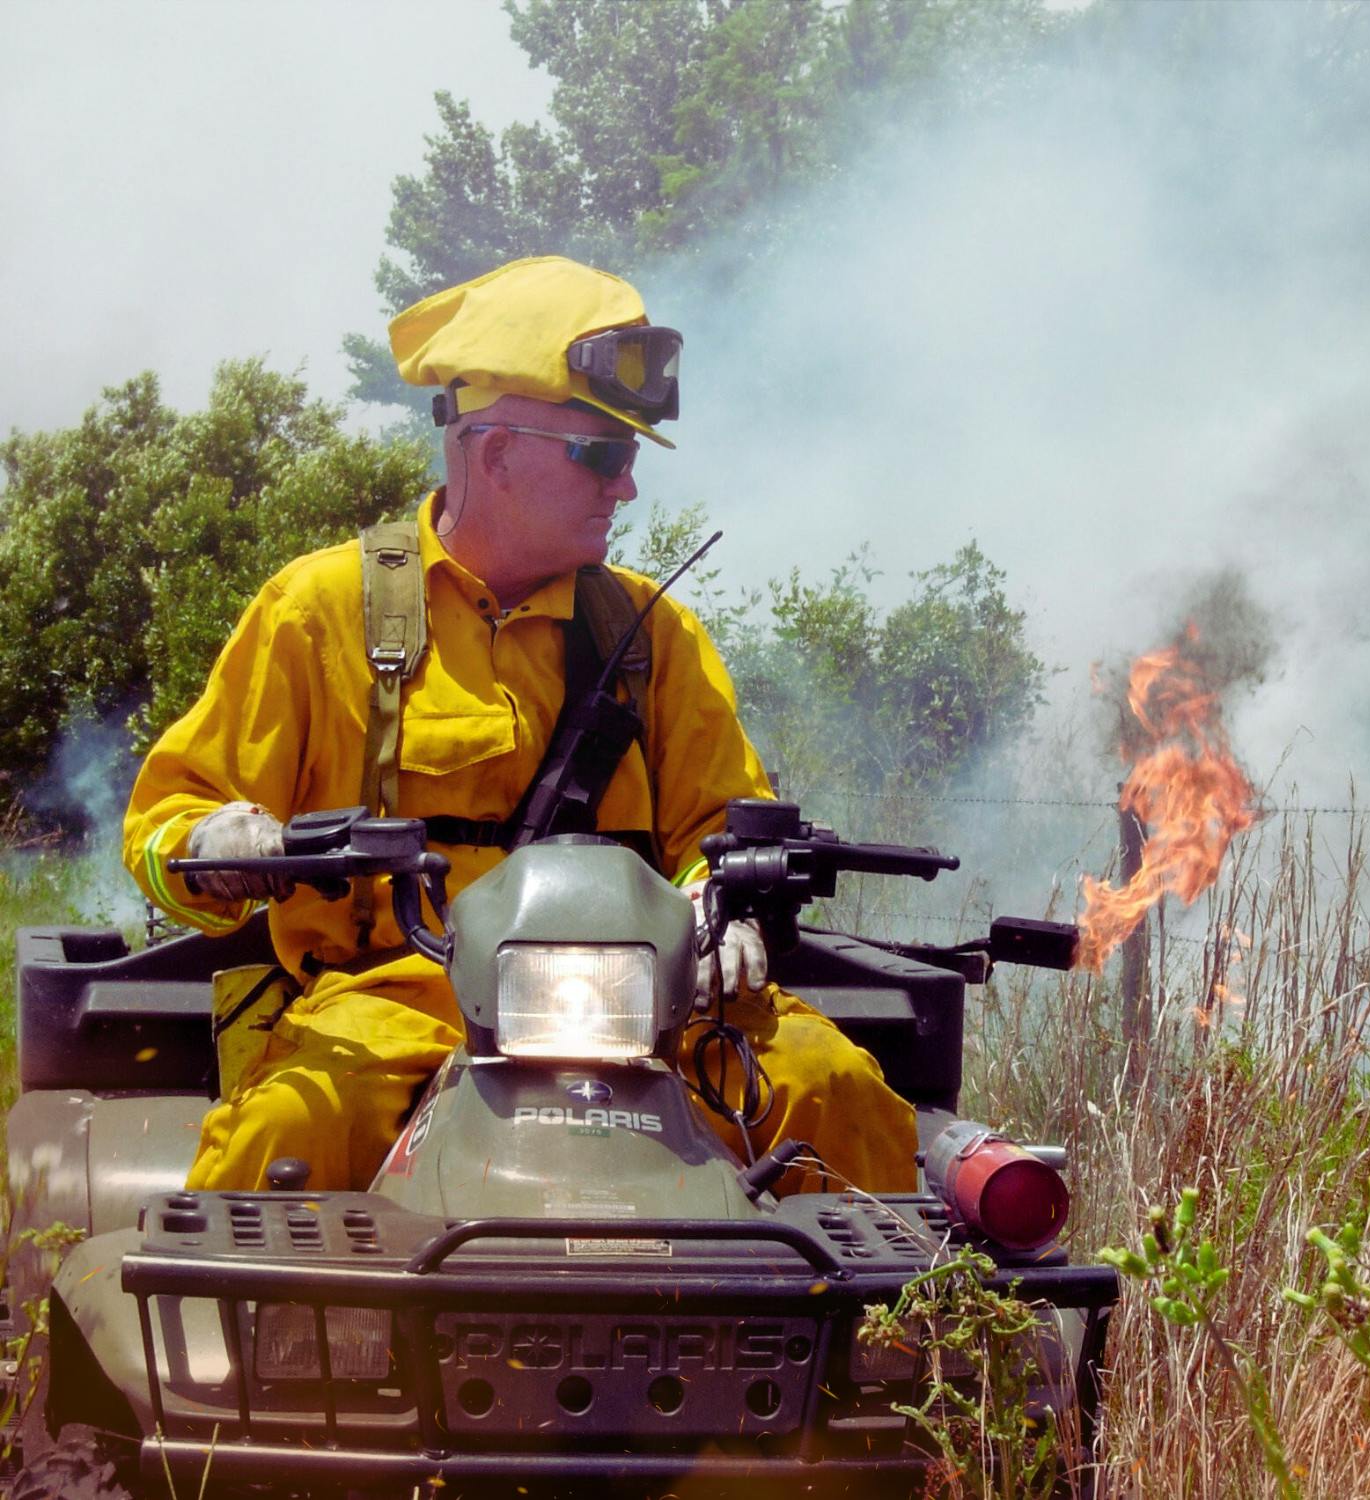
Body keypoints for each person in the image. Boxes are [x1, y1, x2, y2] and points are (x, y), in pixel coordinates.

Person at [121, 255, 916, 1197]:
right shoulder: (319, 610)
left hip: (643, 1013)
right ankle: (254, 1346)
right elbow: (165, 822)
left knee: (833, 1089)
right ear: (494, 454)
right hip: (402, 1001)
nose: (625, 489)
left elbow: (720, 832)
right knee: (288, 1130)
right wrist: (215, 842)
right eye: (603, 456)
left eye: (628, 461)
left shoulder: (652, 637)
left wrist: (725, 905)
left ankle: (890, 1344)